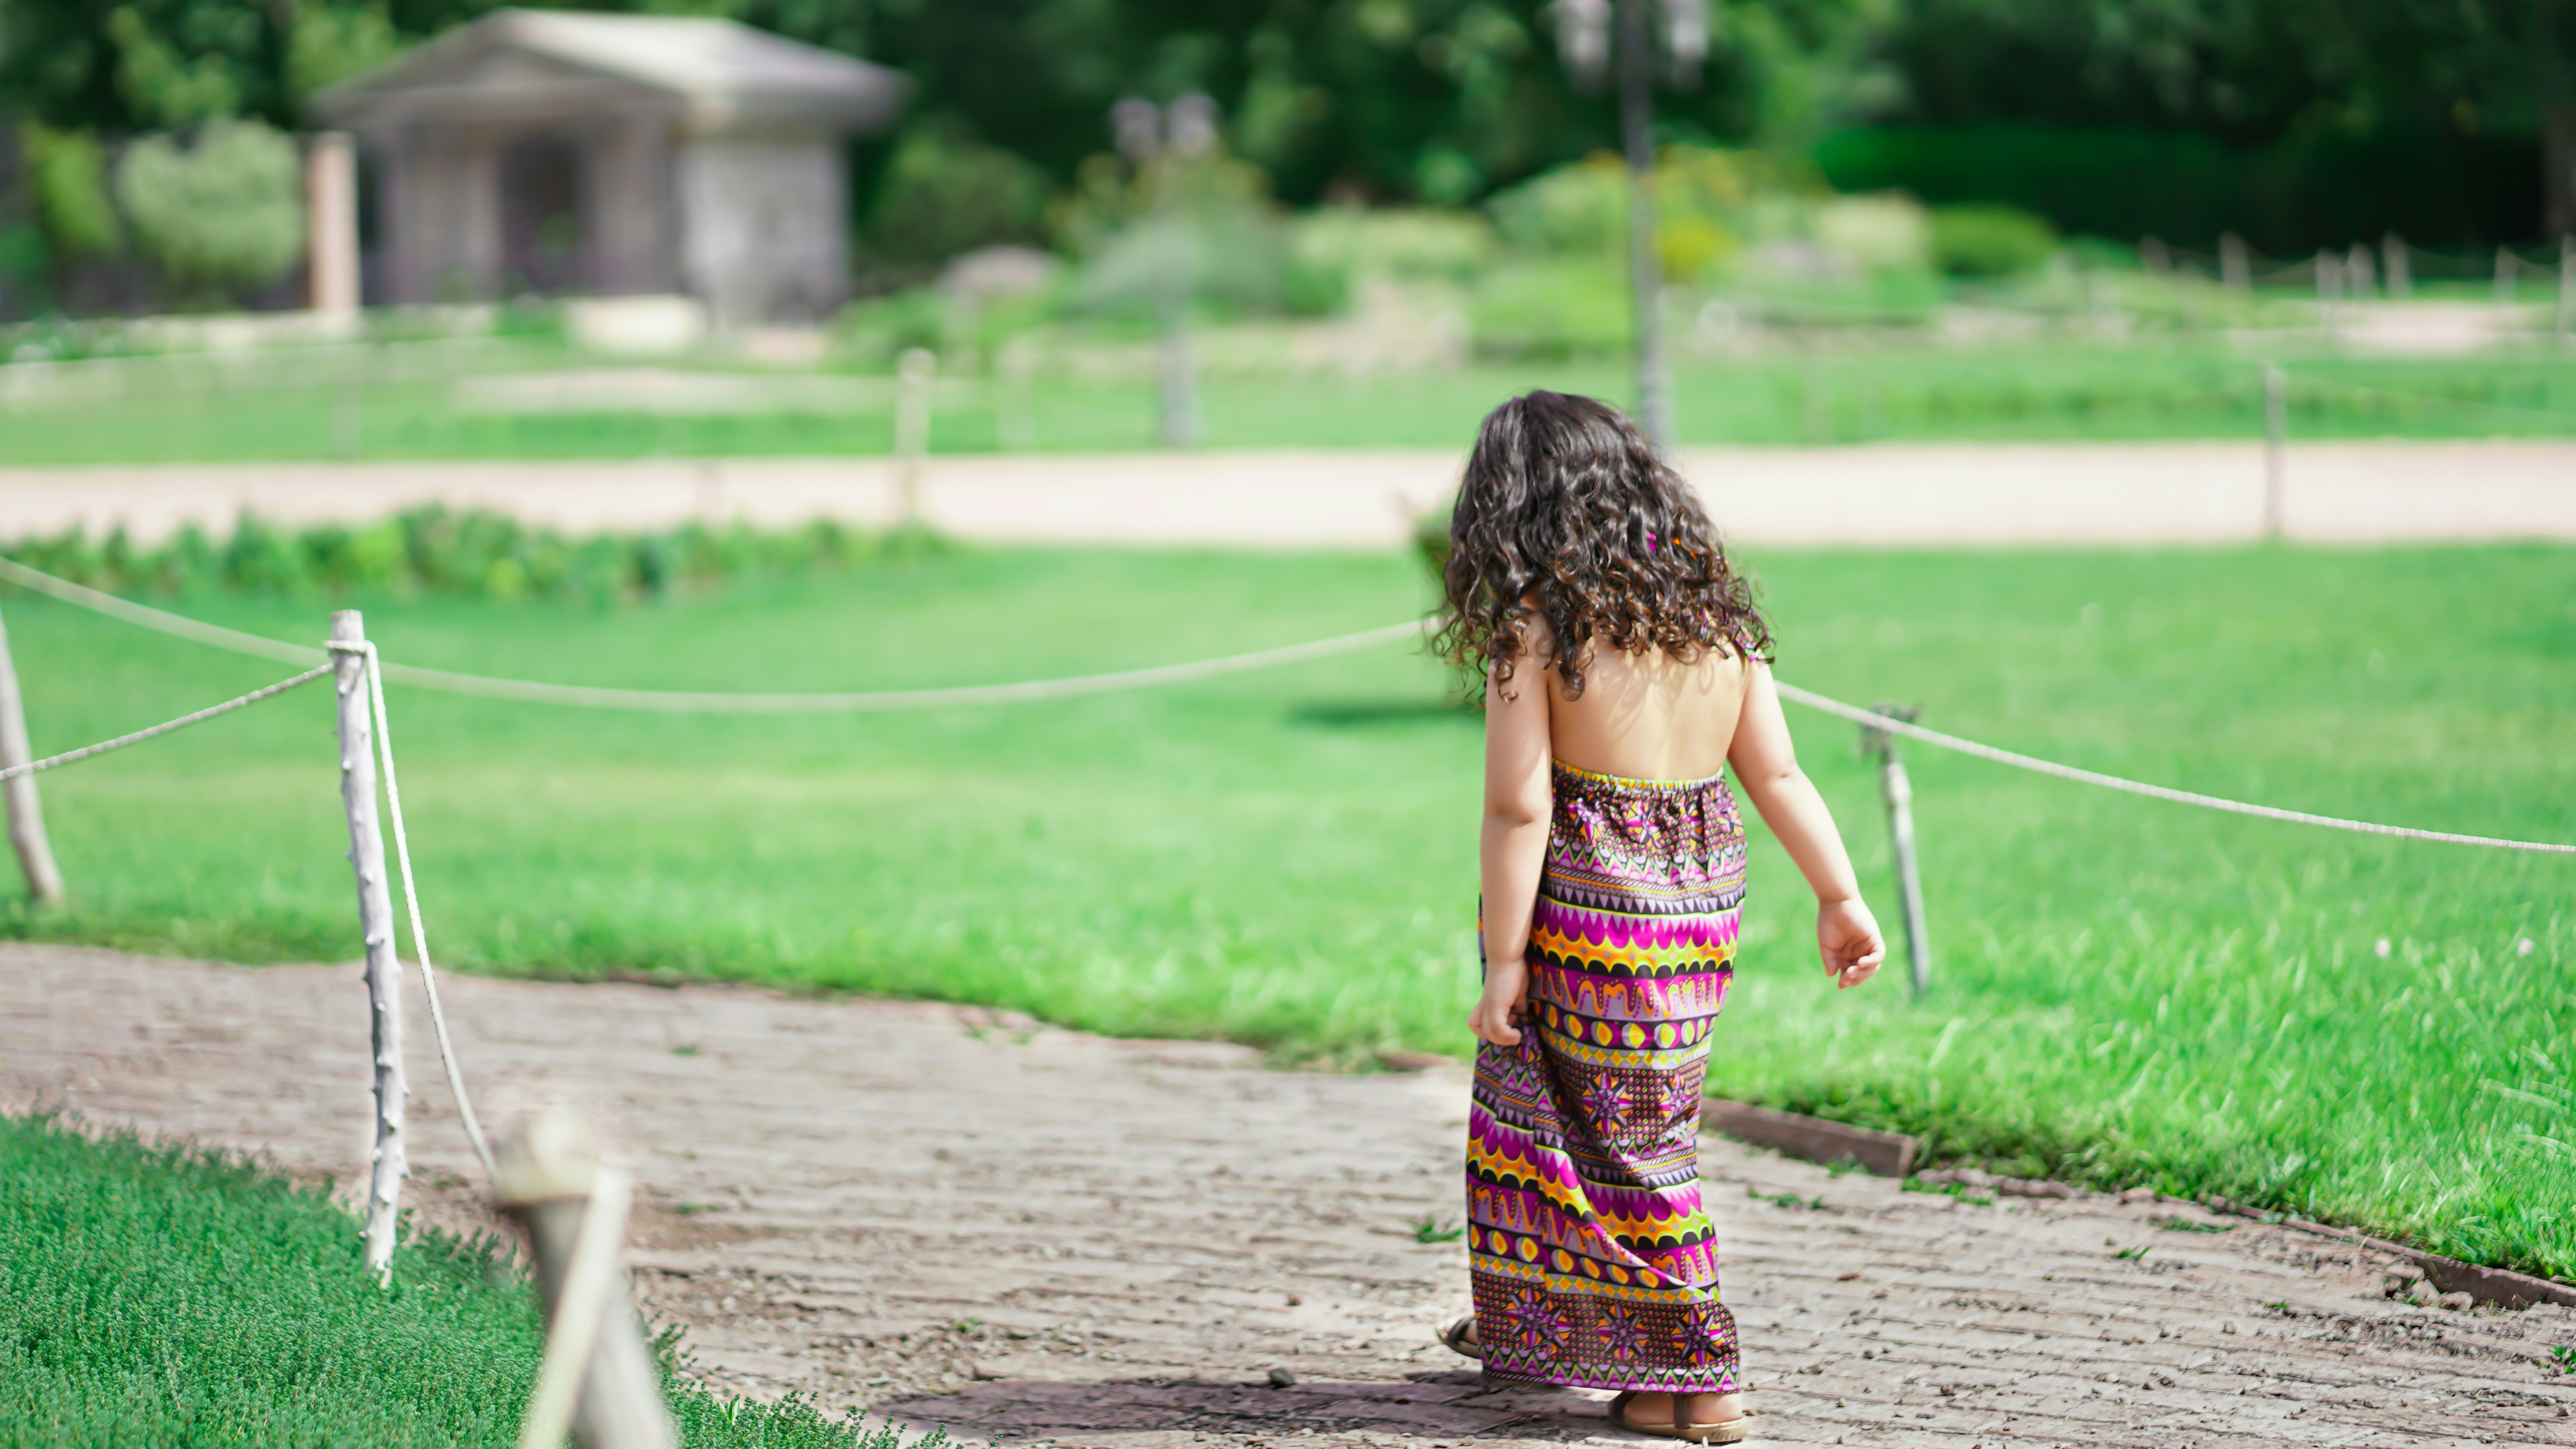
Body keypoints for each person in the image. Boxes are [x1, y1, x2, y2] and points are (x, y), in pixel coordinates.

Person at [1429, 392, 1886, 1444]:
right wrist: (1839, 893)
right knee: (1648, 1133)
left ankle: (1702, 1370)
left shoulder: (1534, 627)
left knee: (1609, 1151)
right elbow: (1775, 771)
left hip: (1589, 914)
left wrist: (1504, 959)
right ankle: (1653, 1376)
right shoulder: (1715, 618)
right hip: (1697, 910)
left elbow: (1519, 804)